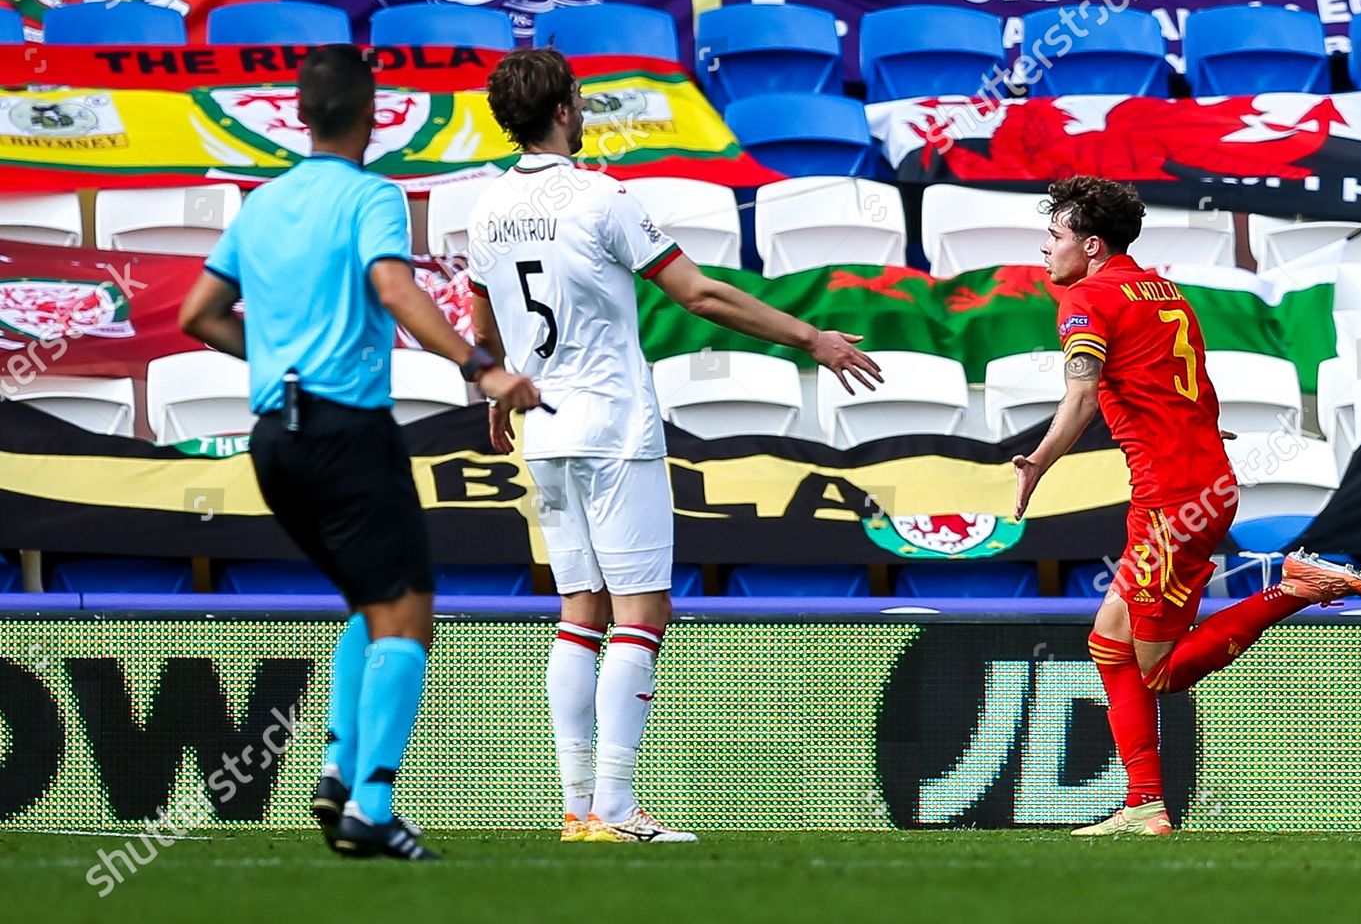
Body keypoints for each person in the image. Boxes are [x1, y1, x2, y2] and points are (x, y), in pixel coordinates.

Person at [468, 47, 883, 843]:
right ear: (562, 109)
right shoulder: (602, 197)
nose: (584, 111)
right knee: (642, 611)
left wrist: (498, 386)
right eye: (581, 101)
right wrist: (811, 338)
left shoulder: (484, 209)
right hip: (614, 424)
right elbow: (696, 292)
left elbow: (483, 323)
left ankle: (578, 808)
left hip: (543, 426)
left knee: (577, 610)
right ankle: (618, 809)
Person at [179, 45, 541, 861]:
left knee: (369, 601)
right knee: (409, 607)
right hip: (348, 430)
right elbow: (394, 288)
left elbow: (198, 313)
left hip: (275, 439)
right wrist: (480, 367)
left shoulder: (262, 206)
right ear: (373, 115)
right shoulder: (372, 196)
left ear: (299, 115)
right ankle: (369, 803)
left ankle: (339, 776)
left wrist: (273, 357)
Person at [1011, 175, 1361, 837]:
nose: (1045, 250)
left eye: (1055, 236)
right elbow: (1181, 381)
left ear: (1091, 245)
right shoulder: (1164, 291)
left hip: (1168, 499)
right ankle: (1145, 807)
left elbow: (1081, 397)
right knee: (1108, 644)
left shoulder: (1086, 301)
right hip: (1199, 477)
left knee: (1159, 671)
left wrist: (1038, 462)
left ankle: (1293, 590)